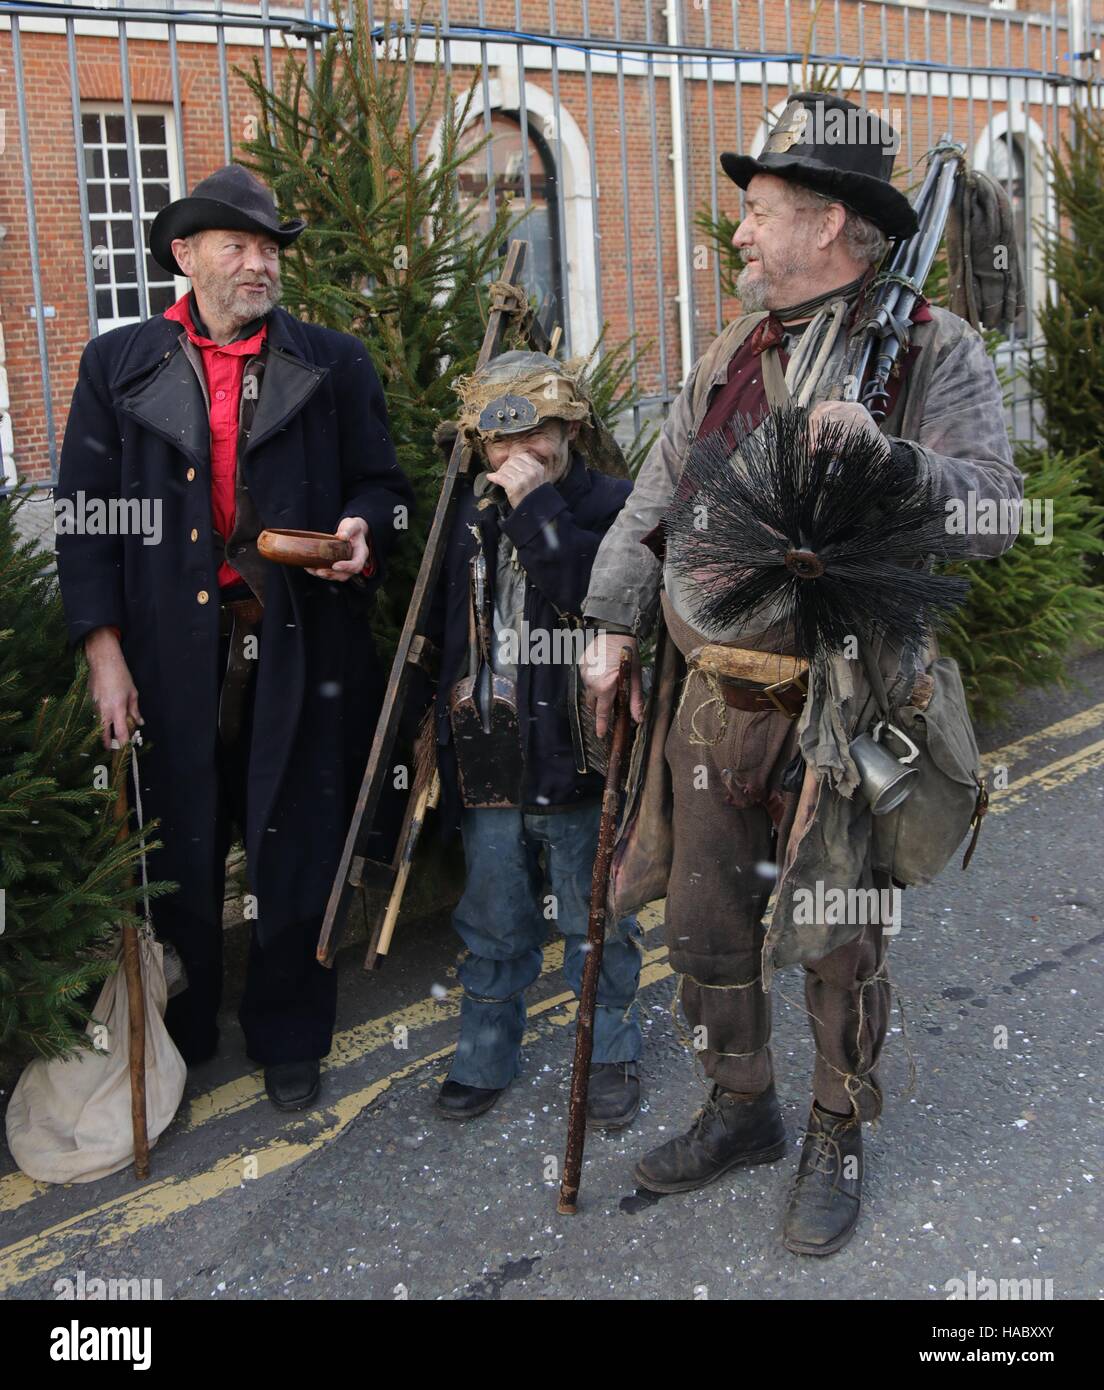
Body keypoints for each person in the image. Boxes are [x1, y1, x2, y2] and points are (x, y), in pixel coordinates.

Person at [579, 93, 1023, 1254]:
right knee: (708, 927)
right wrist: (613, 622)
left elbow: (995, 511)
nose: (739, 234)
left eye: (759, 211)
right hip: (711, 707)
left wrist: (891, 461)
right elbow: (655, 498)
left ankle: (836, 1122)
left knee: (835, 932)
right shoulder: (735, 349)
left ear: (828, 223)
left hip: (842, 706)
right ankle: (741, 1106)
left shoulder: (932, 347)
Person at [55, 164, 413, 1111]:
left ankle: (291, 1030)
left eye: (269, 249)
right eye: (238, 246)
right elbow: (85, 518)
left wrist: (362, 535)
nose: (260, 265)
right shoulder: (117, 364)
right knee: (179, 840)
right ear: (186, 255)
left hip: (297, 640)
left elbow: (382, 485)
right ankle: (185, 1023)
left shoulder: (332, 361)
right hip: (171, 650)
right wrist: (104, 654)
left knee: (293, 837)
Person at [430, 351, 644, 1126]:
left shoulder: (615, 506)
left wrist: (534, 511)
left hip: (577, 758)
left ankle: (612, 1049)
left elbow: (591, 590)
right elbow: (443, 628)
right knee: (492, 918)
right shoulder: (468, 514)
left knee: (595, 918)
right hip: (489, 750)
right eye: (498, 441)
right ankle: (485, 1052)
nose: (518, 456)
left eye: (539, 433)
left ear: (571, 428)